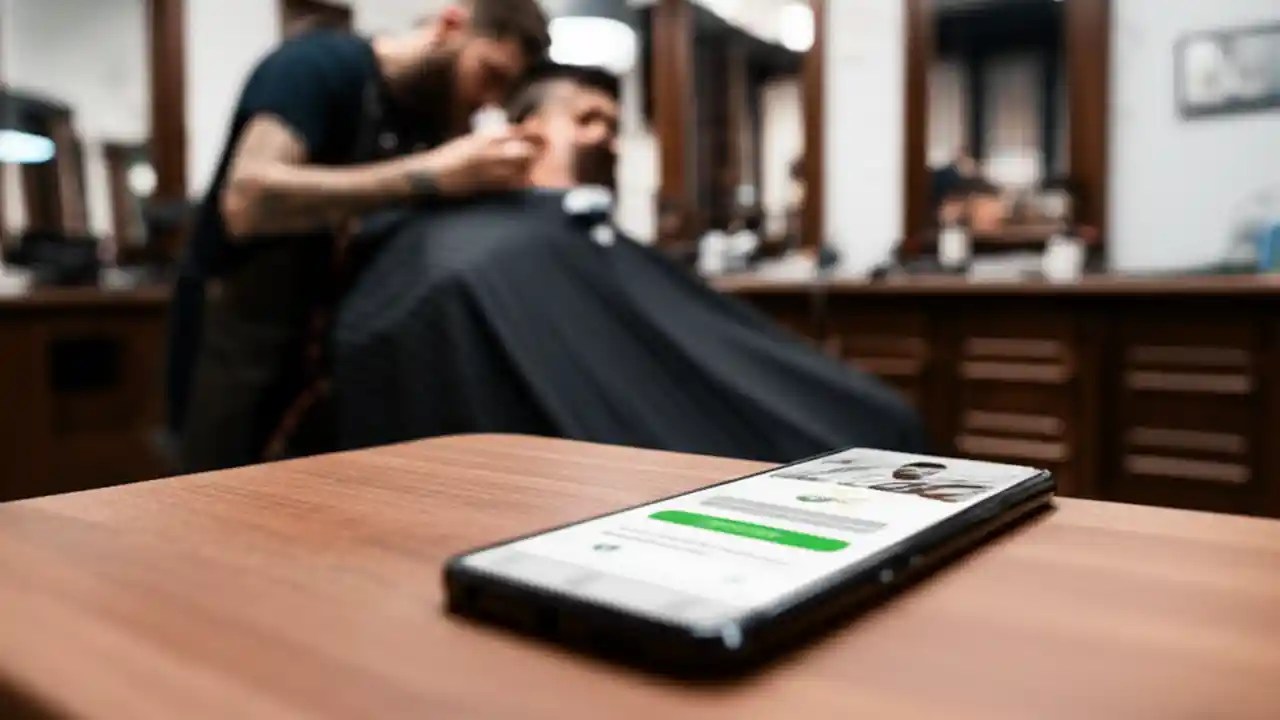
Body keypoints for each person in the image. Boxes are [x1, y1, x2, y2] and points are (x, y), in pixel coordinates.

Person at [332, 64, 926, 463]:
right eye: (587, 119)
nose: (608, 140)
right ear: (525, 134)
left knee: (876, 418)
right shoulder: (467, 253)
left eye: (615, 128)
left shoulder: (579, 235)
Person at [172, 0, 551, 472]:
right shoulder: (317, 65)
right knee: (219, 485)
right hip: (240, 327)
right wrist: (430, 175)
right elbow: (247, 202)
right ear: (450, 25)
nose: (487, 101)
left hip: (332, 342)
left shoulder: (425, 120)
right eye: (489, 74)